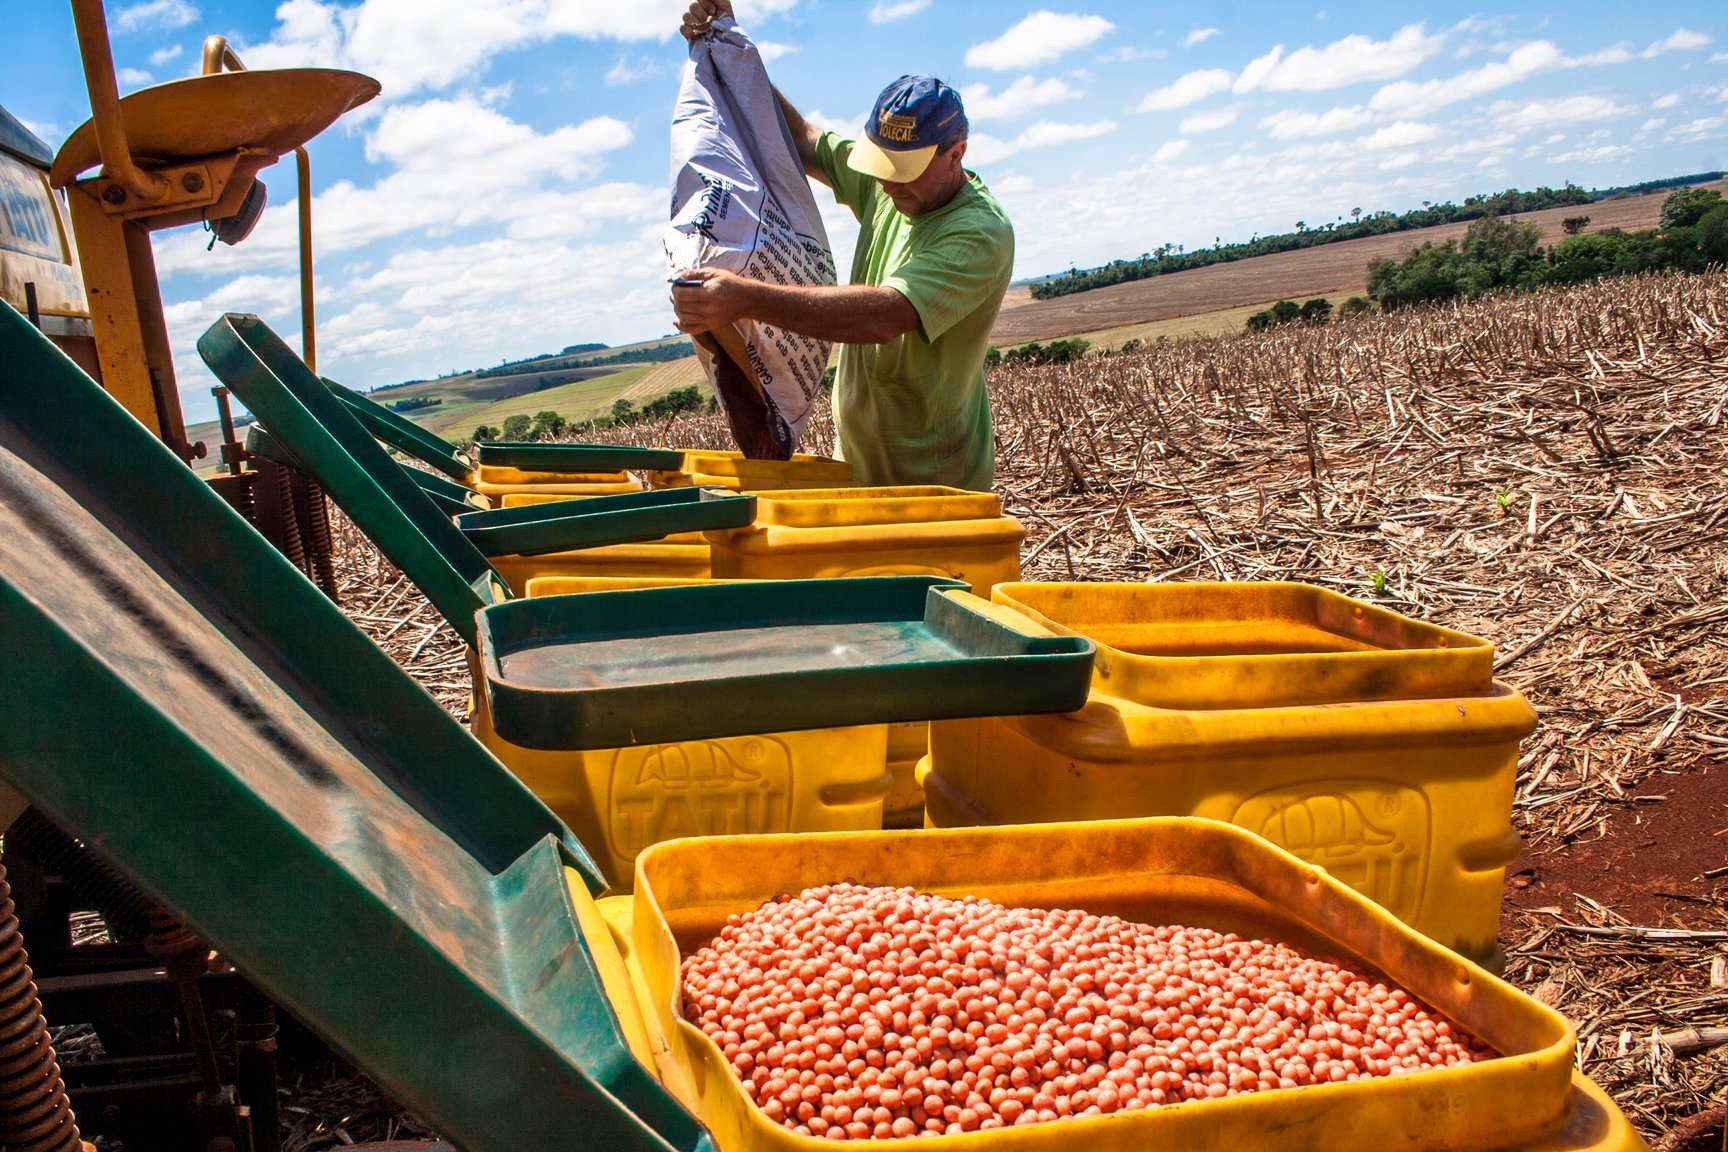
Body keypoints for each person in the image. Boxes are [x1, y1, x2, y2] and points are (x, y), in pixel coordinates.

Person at [672, 0, 1014, 491]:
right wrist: (727, 47)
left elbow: (883, 316)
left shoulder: (977, 232)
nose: (890, 185)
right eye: (883, 166)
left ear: (955, 153)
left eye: (905, 173)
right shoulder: (887, 176)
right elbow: (801, 137)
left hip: (933, 479)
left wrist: (743, 297)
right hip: (860, 462)